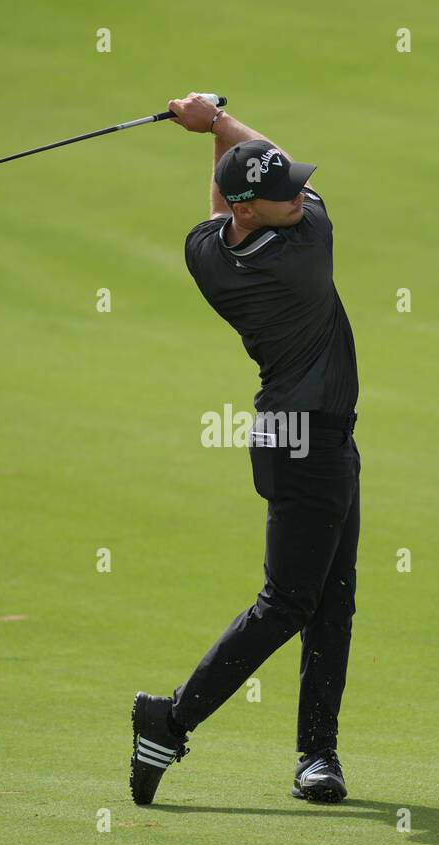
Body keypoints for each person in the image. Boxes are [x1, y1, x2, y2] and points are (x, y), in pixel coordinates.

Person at [130, 93, 361, 806]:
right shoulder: (305, 246)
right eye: (280, 192)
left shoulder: (210, 252)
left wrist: (216, 138)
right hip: (310, 440)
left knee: (330, 599)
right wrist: (218, 117)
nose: (296, 193)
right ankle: (168, 720)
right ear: (252, 210)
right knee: (291, 601)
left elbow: (226, 192)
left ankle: (317, 757)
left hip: (291, 434)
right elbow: (259, 175)